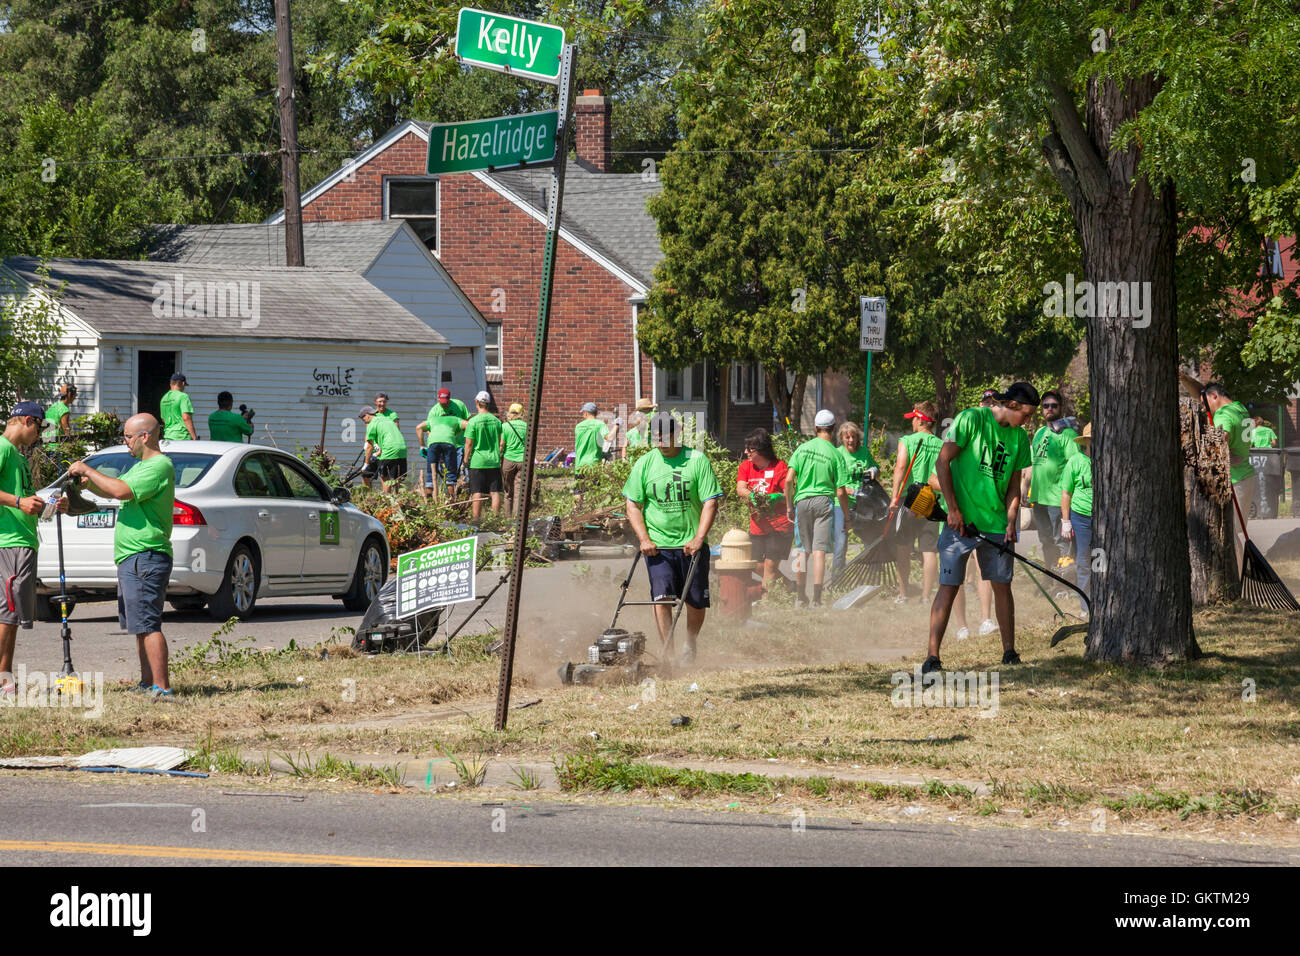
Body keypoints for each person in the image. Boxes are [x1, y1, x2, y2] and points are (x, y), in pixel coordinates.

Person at [925, 382, 1037, 673]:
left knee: (1003, 586)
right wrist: (953, 509)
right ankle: (932, 657)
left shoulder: (1020, 438)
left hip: (997, 524)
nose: (1028, 421)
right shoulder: (972, 419)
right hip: (959, 524)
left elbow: (1014, 484)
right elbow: (942, 462)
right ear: (1012, 405)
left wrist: (1012, 520)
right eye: (1026, 414)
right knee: (949, 587)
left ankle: (1009, 652)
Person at [68, 413, 175, 697]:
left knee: (149, 624)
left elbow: (121, 491)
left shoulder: (158, 466)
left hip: (146, 555)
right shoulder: (139, 467)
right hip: (132, 556)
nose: (124, 442)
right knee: (139, 624)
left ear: (145, 436)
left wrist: (89, 470)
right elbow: (113, 490)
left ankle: (162, 688)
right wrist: (86, 484)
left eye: (128, 436)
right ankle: (146, 683)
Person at [623, 413, 722, 667]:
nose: (660, 442)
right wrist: (644, 538)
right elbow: (632, 504)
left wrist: (699, 538)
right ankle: (668, 652)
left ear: (677, 432)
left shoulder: (697, 460)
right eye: (655, 438)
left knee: (696, 601)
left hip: (692, 546)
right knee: (662, 598)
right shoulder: (645, 464)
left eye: (664, 437)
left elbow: (711, 502)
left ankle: (690, 643)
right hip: (658, 547)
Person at [0, 403, 62, 697]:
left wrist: (46, 504)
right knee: (6, 613)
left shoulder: (19, 458)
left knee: (12, 617)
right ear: (26, 420)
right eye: (38, 427)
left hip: (23, 541)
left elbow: (24, 499)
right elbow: (16, 500)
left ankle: (6, 677)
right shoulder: (2, 448)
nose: (39, 434)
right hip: (8, 541)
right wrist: (18, 502)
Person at [1178, 372, 1256, 557]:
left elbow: (1218, 445)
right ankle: (1238, 576)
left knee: (1227, 533)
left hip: (1235, 481)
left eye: (1206, 405)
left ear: (1215, 396)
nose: (1206, 409)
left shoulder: (1223, 415)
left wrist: (1223, 456)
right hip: (1245, 477)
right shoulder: (1239, 408)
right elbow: (1202, 395)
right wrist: (1186, 379)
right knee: (1232, 531)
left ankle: (1237, 578)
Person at [784, 410, 851, 608]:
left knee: (800, 550)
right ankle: (816, 599)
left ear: (815, 428)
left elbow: (788, 480)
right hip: (823, 501)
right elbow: (840, 492)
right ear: (833, 429)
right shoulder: (835, 454)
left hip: (802, 502)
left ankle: (799, 597)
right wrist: (847, 517)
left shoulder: (802, 449)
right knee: (819, 551)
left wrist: (789, 506)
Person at [892, 401, 944, 604]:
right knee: (929, 550)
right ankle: (925, 597)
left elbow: (900, 467)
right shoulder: (941, 444)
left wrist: (894, 497)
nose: (911, 422)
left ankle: (903, 595)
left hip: (909, 500)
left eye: (913, 419)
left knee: (903, 547)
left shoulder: (907, 440)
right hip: (931, 500)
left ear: (920, 420)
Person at [1022, 390, 1079, 577]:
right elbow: (1032, 464)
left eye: (1054, 405)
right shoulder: (1039, 433)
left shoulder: (1068, 434)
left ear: (1060, 408)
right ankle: (1052, 578)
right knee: (1046, 541)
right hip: (1038, 498)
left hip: (1057, 500)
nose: (1049, 409)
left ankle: (1067, 582)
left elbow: (1074, 466)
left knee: (1061, 542)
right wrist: (1024, 487)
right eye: (1046, 405)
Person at [736, 428, 794, 595]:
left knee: (769, 565)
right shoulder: (746, 467)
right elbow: (741, 488)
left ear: (761, 449)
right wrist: (752, 496)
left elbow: (790, 494)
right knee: (753, 564)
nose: (746, 452)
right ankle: (789, 586)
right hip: (758, 526)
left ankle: (768, 602)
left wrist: (777, 497)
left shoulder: (780, 467)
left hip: (780, 525)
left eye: (750, 449)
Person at [833, 421, 879, 579]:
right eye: (847, 437)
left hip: (863, 504)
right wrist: (851, 491)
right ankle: (837, 579)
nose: (851, 440)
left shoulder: (864, 452)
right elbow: (833, 483)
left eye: (853, 437)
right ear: (842, 438)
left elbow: (875, 468)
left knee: (870, 539)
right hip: (842, 503)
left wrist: (874, 471)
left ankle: (872, 577)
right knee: (841, 543)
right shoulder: (837, 454)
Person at [1060, 423, 1094, 617]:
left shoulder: (1108, 458)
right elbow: (1066, 493)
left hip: (1104, 517)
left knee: (1103, 559)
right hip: (1081, 517)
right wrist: (1066, 521)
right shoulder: (1075, 461)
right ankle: (1085, 606)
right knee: (1083, 560)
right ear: (1086, 442)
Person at [417, 388, 469, 500]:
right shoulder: (436, 412)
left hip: (452, 444)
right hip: (450, 443)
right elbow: (469, 425)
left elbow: (419, 427)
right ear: (438, 399)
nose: (444, 406)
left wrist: (423, 446)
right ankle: (451, 499)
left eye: (446, 403)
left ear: (450, 399)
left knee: (433, 472)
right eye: (442, 403)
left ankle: (431, 500)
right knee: (451, 473)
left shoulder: (459, 405)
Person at [463, 390, 503, 520]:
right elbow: (499, 440)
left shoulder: (473, 422)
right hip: (494, 460)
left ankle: (476, 520)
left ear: (476, 402)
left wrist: (465, 459)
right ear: (489, 403)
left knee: (477, 491)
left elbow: (469, 443)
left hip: (478, 461)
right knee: (495, 491)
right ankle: (495, 519)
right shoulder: (496, 421)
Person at [573, 401, 617, 511]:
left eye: (583, 412)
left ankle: (575, 514)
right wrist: (617, 425)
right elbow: (609, 438)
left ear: (586, 413)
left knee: (578, 491)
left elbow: (584, 444)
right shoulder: (600, 424)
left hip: (579, 465)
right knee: (595, 492)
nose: (582, 414)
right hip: (593, 464)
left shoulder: (578, 426)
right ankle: (595, 514)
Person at [360, 404, 407, 491]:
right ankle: (400, 500)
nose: (364, 422)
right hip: (402, 449)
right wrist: (377, 453)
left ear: (366, 415)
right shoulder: (387, 420)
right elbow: (388, 438)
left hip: (389, 450)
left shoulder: (372, 424)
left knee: (385, 479)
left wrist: (366, 464)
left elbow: (370, 447)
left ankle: (387, 500)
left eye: (363, 419)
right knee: (398, 479)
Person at [500, 402, 528, 517]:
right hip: (522, 461)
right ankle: (516, 518)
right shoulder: (527, 426)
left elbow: (502, 445)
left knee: (508, 492)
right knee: (518, 491)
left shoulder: (505, 426)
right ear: (522, 413)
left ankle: (507, 517)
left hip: (508, 460)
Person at [159, 372, 197, 441]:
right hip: (182, 436)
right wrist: (194, 437)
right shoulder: (183, 396)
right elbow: (186, 417)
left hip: (168, 436)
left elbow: (163, 419)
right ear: (183, 383)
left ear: (171, 384)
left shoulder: (164, 398)